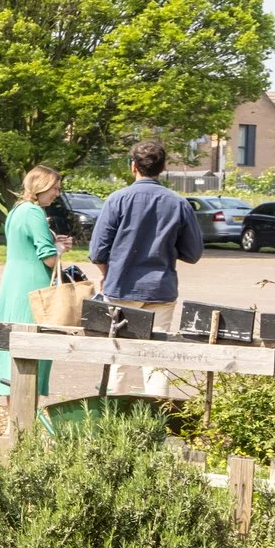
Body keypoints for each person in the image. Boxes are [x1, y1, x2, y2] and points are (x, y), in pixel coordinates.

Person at [89, 138, 207, 395]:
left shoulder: (117, 200)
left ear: (133, 166)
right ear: (162, 168)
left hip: (121, 287)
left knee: (119, 357)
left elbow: (98, 250)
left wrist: (104, 274)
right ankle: (155, 421)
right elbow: (193, 253)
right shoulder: (178, 203)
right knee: (156, 361)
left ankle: (112, 421)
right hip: (160, 290)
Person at [0, 165, 65, 398]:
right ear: (41, 186)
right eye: (54, 188)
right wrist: (59, 248)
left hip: (12, 285)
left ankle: (14, 422)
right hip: (33, 288)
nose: (57, 193)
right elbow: (48, 258)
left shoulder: (17, 211)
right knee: (31, 352)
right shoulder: (34, 212)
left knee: (10, 349)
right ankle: (23, 422)